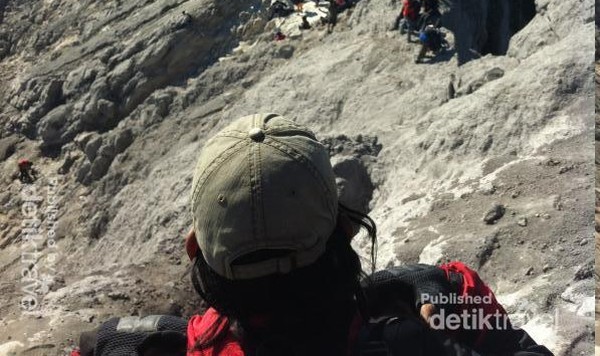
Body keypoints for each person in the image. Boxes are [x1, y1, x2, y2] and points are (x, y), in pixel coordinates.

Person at [71, 115, 554, 356]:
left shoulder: (127, 346)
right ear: (345, 230)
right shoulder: (427, 335)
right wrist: (436, 295)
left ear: (195, 249)